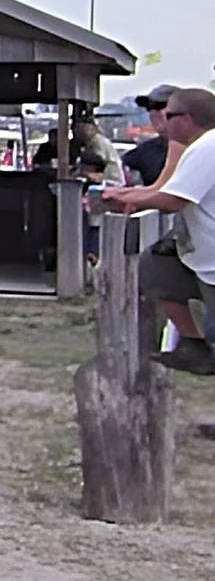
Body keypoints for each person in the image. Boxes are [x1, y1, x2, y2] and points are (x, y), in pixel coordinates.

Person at [101, 87, 215, 374]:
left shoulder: (207, 147)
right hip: (203, 259)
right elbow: (165, 190)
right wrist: (129, 195)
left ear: (186, 119)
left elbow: (172, 199)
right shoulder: (197, 147)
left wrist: (126, 198)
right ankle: (193, 345)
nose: (160, 118)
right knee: (156, 267)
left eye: (168, 113)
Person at [123, 85, 180, 187]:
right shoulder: (141, 153)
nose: (153, 112)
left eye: (160, 106)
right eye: (149, 107)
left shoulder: (201, 149)